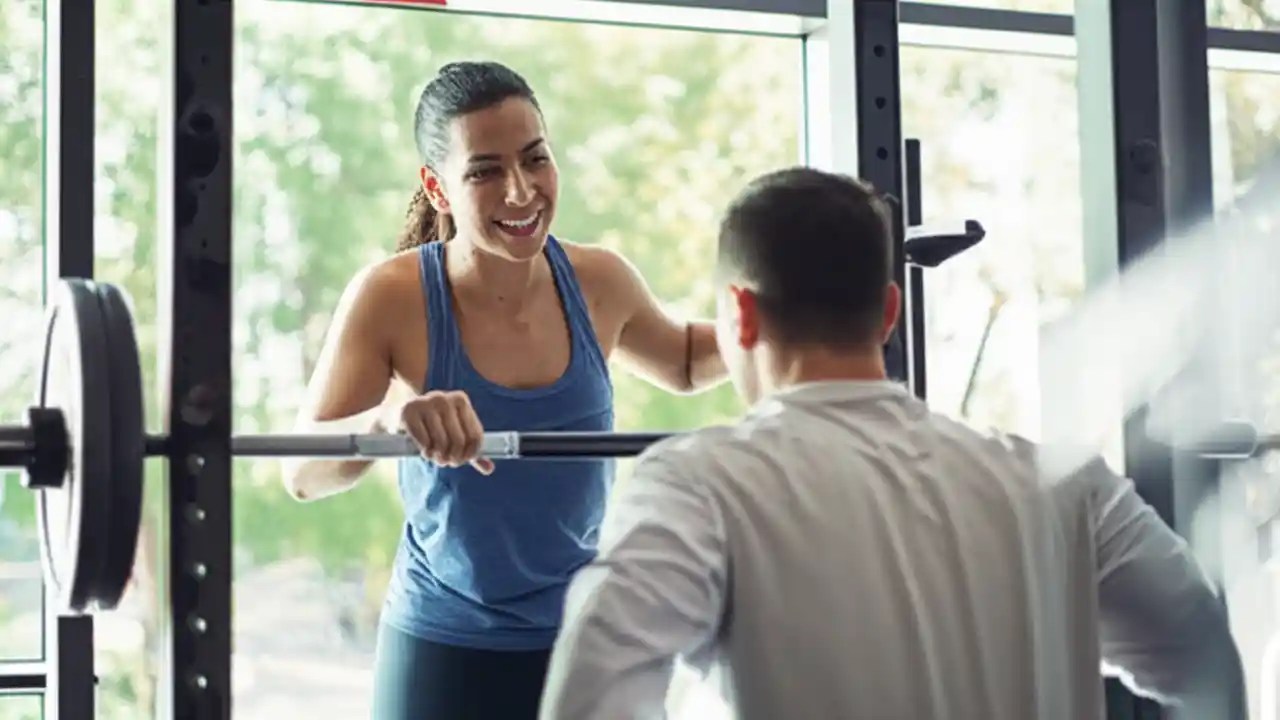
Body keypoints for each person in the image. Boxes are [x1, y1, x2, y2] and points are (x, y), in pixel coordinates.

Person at [538, 167, 1247, 720]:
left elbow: (592, 697)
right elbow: (1206, 661)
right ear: (888, 311)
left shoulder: (701, 485)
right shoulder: (1063, 482)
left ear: (740, 314)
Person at [282, 61, 726, 719]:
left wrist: (784, 315)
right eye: (485, 171)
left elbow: (686, 361)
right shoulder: (391, 297)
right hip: (441, 646)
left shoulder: (599, 279)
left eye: (535, 159)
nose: (520, 192)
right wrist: (384, 427)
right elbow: (300, 473)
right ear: (437, 187)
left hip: (581, 638)